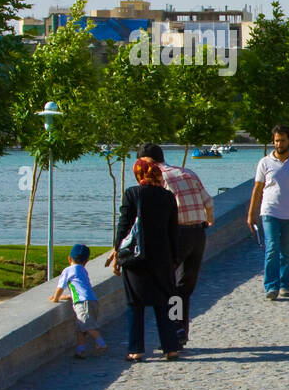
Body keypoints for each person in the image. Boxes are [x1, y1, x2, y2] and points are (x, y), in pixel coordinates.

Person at [137, 143, 213, 347]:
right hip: (198, 234)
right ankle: (180, 331)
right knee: (185, 287)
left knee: (169, 287)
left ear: (148, 161)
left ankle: (174, 331)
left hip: (177, 235)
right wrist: (208, 220)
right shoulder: (187, 172)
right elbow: (209, 202)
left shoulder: (158, 177)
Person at [107, 157, 180, 360]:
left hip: (136, 257)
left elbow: (124, 225)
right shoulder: (168, 197)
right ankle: (171, 347)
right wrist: (174, 258)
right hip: (163, 257)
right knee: (164, 303)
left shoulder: (132, 194)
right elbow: (173, 230)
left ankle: (136, 350)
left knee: (135, 304)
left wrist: (116, 252)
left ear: (139, 174)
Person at [247, 124, 289, 300]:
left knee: (287, 251)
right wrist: (251, 214)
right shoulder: (265, 162)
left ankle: (284, 284)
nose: (279, 144)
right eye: (276, 141)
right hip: (269, 211)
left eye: (282, 140)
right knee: (272, 248)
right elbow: (257, 188)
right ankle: (271, 286)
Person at [49, 243, 106, 358]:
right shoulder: (83, 271)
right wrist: (67, 297)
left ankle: (101, 343)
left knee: (87, 326)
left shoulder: (68, 270)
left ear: (69, 258)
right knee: (80, 328)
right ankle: (81, 350)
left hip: (82, 303)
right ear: (86, 261)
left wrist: (56, 298)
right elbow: (80, 288)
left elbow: (61, 287)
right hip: (92, 301)